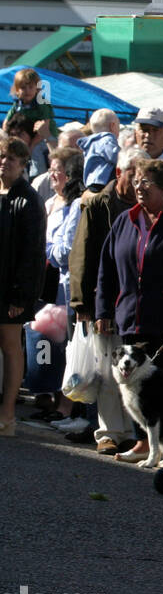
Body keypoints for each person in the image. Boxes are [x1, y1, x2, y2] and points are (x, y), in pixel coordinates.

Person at [95, 158, 163, 463]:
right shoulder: (124, 220)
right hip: (128, 317)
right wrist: (103, 309)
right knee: (130, 386)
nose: (139, 188)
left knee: (162, 392)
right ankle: (144, 443)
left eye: (147, 183)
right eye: (138, 181)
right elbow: (106, 270)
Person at [69, 146, 149, 453]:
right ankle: (107, 433)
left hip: (133, 301)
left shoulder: (146, 206)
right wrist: (82, 305)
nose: (140, 184)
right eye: (133, 176)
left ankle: (129, 431)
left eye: (143, 178)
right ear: (119, 173)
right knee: (106, 369)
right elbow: (82, 254)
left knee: (130, 367)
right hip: (102, 300)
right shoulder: (99, 204)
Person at [28, 146, 86, 435]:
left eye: (58, 169)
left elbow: (64, 248)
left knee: (65, 347)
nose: (53, 174)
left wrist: (44, 249)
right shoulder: (50, 201)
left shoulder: (75, 204)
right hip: (46, 282)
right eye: (51, 168)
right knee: (44, 343)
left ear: (70, 173)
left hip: (64, 285)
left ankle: (66, 405)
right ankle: (47, 396)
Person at [0, 134, 46, 436]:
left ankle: (7, 416)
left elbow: (32, 253)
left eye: (11, 159)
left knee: (11, 347)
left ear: (22, 164)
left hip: (11, 289)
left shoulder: (28, 200)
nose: (4, 164)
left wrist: (20, 294)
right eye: (1, 158)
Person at [3, 67, 56, 147]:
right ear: (17, 90)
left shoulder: (42, 104)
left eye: (31, 87)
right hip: (27, 135)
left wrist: (31, 147)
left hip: (44, 138)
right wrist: (6, 139)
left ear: (37, 89)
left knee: (36, 152)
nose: (27, 91)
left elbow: (44, 128)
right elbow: (6, 121)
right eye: (23, 88)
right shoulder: (18, 104)